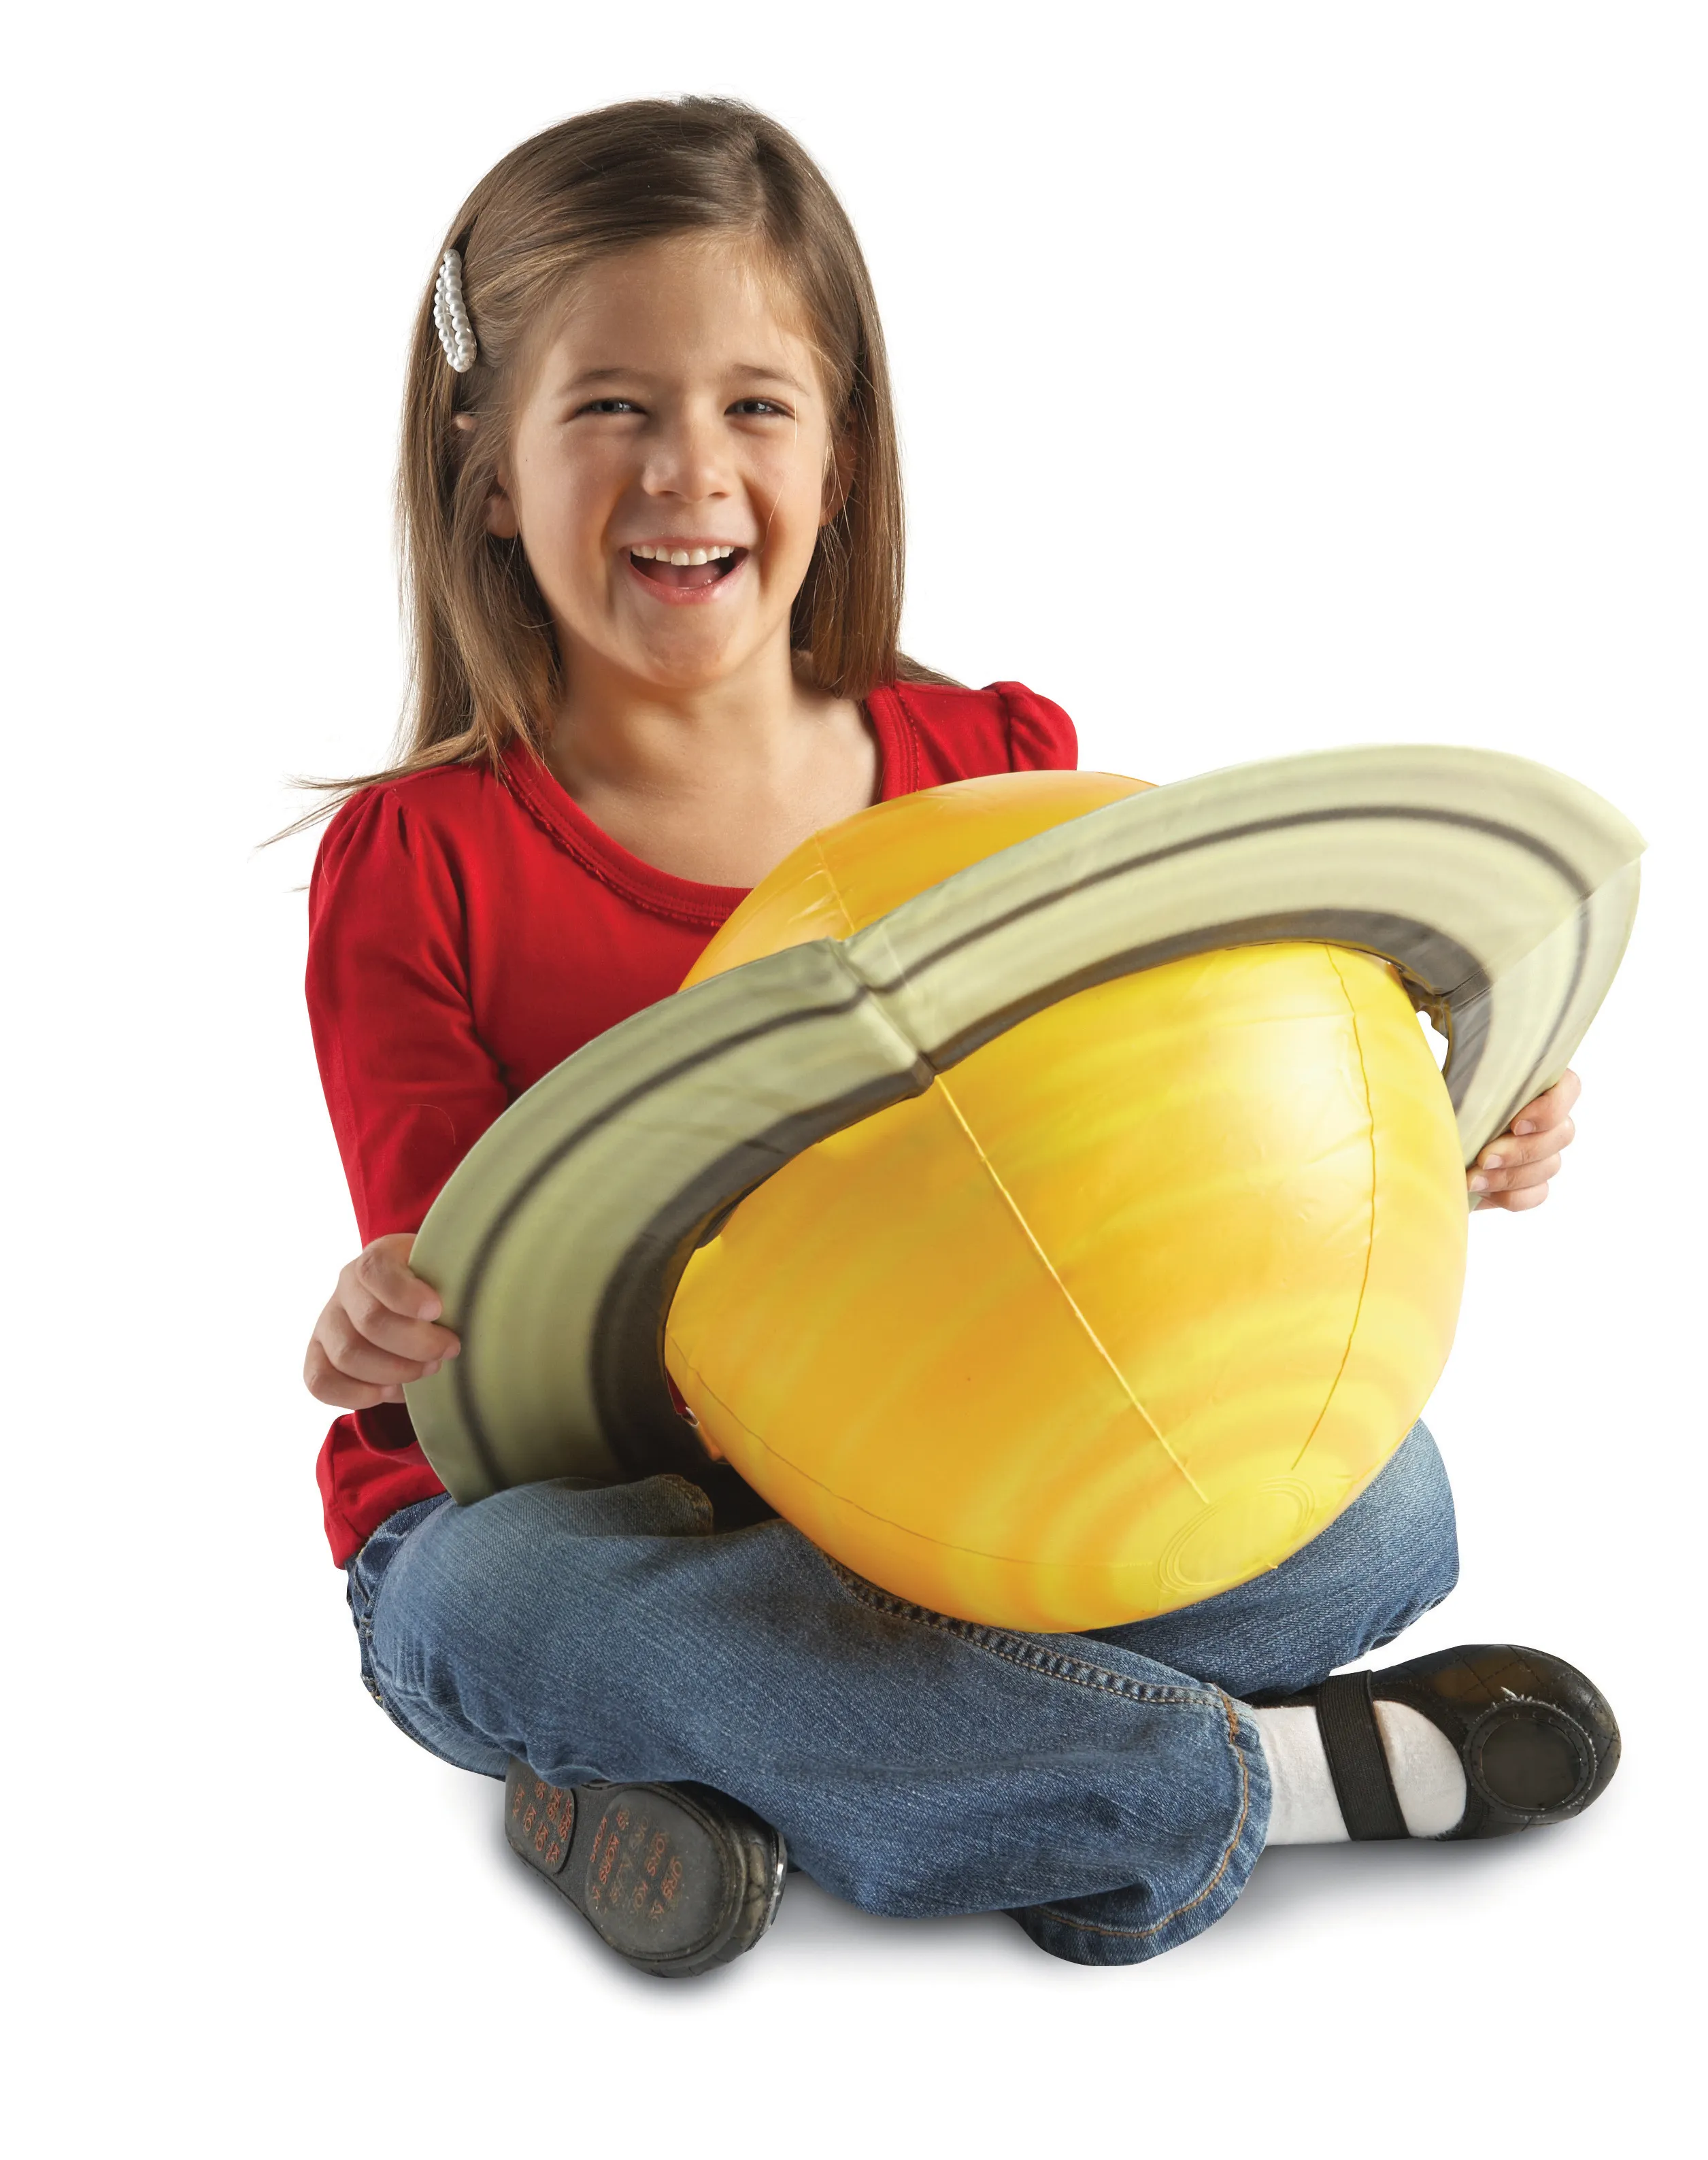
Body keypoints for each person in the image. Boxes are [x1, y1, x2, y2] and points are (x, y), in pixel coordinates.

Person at [301, 97, 1618, 1976]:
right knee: (512, 1612)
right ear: (489, 469)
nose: (689, 470)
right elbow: (476, 1332)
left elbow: (1155, 1143)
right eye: (613, 407)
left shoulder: (995, 763)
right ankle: (1239, 1778)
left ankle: (800, 1763)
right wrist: (378, 1324)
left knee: (1391, 1507)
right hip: (580, 1518)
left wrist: (1427, 1118)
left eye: (756, 405)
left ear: (843, 457)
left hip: (958, 1492)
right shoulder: (419, 860)